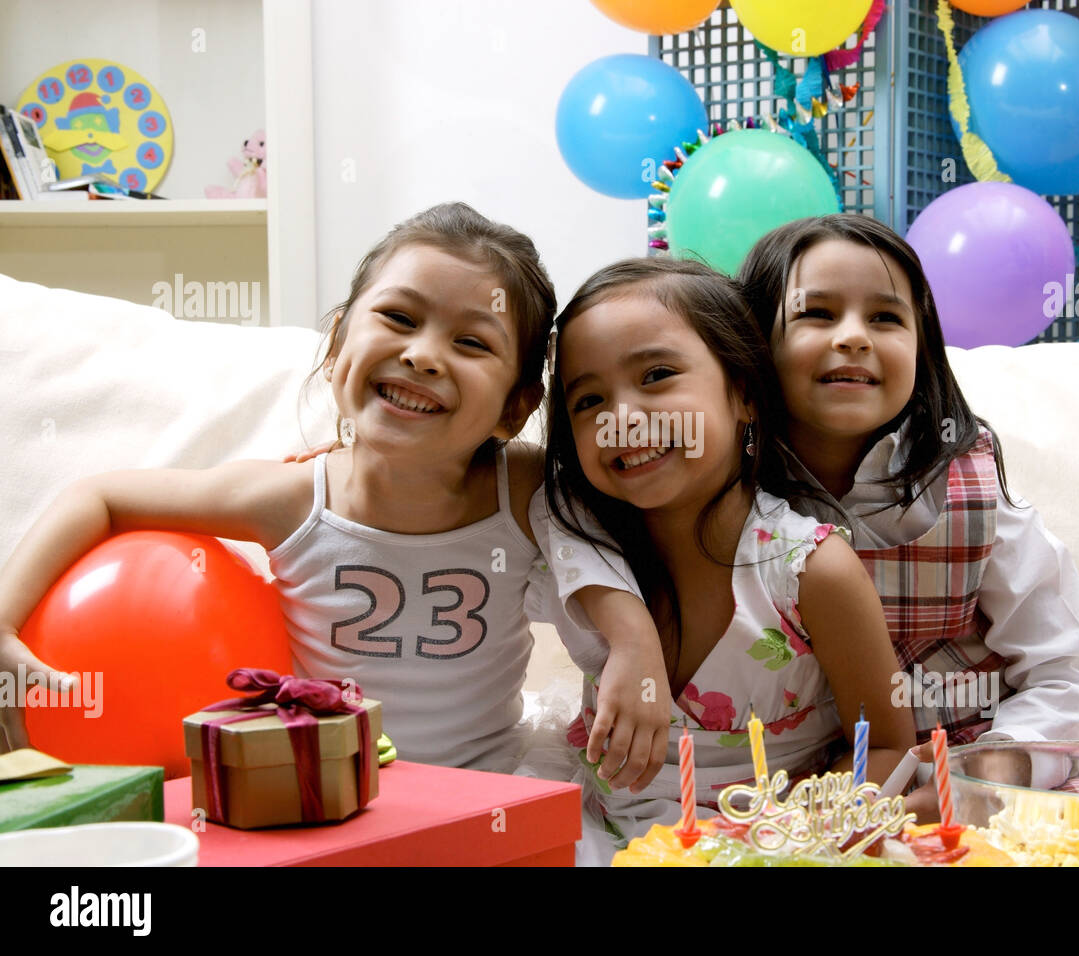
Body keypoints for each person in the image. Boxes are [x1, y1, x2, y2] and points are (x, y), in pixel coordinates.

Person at [0, 202, 622, 773]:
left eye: (471, 342)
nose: (423, 356)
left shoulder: (526, 490)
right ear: (335, 347)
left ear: (515, 407)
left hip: (490, 791)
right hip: (324, 793)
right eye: (399, 318)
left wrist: (633, 649)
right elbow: (100, 498)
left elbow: (626, 534)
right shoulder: (293, 499)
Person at [528, 257, 913, 864]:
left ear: (744, 395)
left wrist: (787, 842)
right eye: (588, 400)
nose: (621, 419)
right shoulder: (581, 534)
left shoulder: (811, 570)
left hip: (770, 844)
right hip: (597, 838)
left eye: (656, 375)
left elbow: (888, 748)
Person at [735, 214, 1079, 816]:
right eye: (817, 313)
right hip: (821, 787)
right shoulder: (730, 501)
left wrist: (988, 777)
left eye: (885, 317)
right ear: (752, 340)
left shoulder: (968, 492)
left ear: (922, 346)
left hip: (981, 768)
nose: (854, 336)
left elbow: (1062, 672)